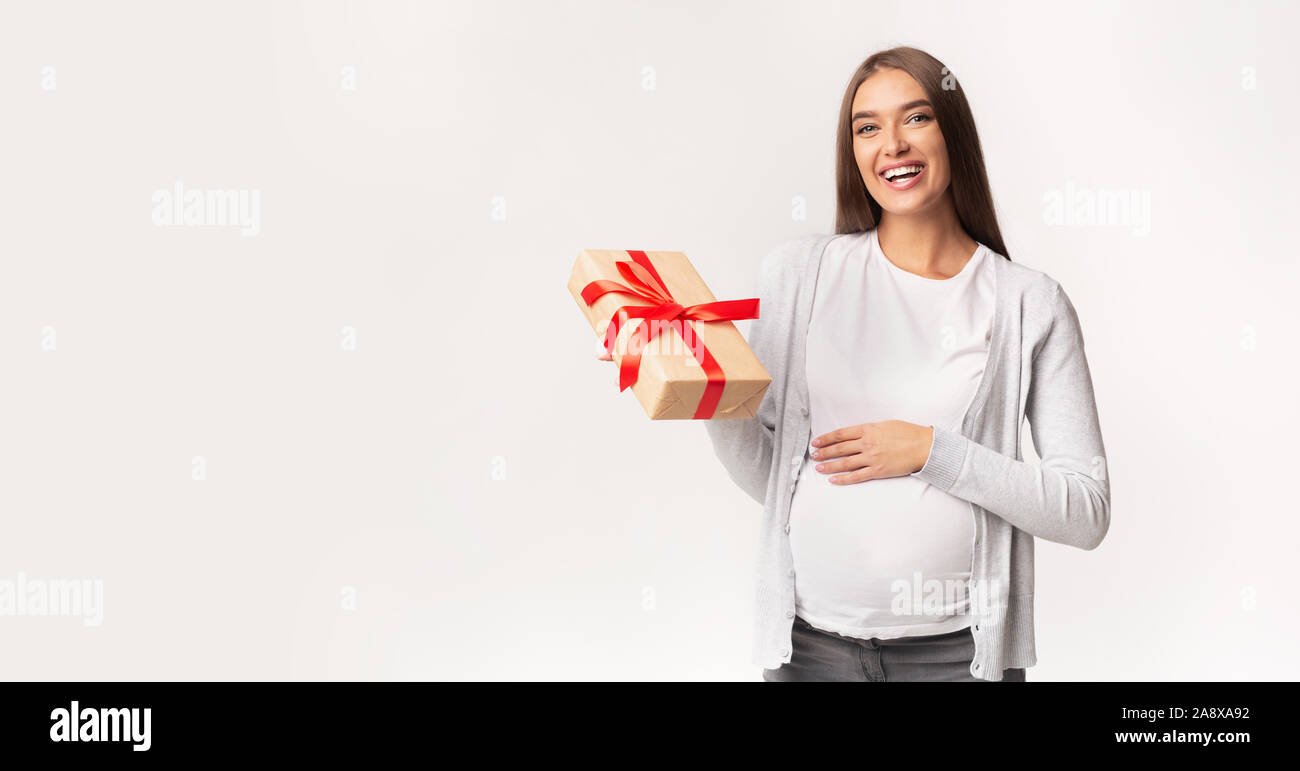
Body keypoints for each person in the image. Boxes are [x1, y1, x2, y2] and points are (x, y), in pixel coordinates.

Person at [604, 46, 1111, 682]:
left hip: (957, 660)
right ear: (854, 155)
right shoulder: (800, 273)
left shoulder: (1028, 302)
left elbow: (1086, 511)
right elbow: (776, 479)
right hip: (808, 654)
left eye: (916, 118)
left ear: (954, 132)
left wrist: (931, 450)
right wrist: (705, 393)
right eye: (867, 127)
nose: (891, 144)